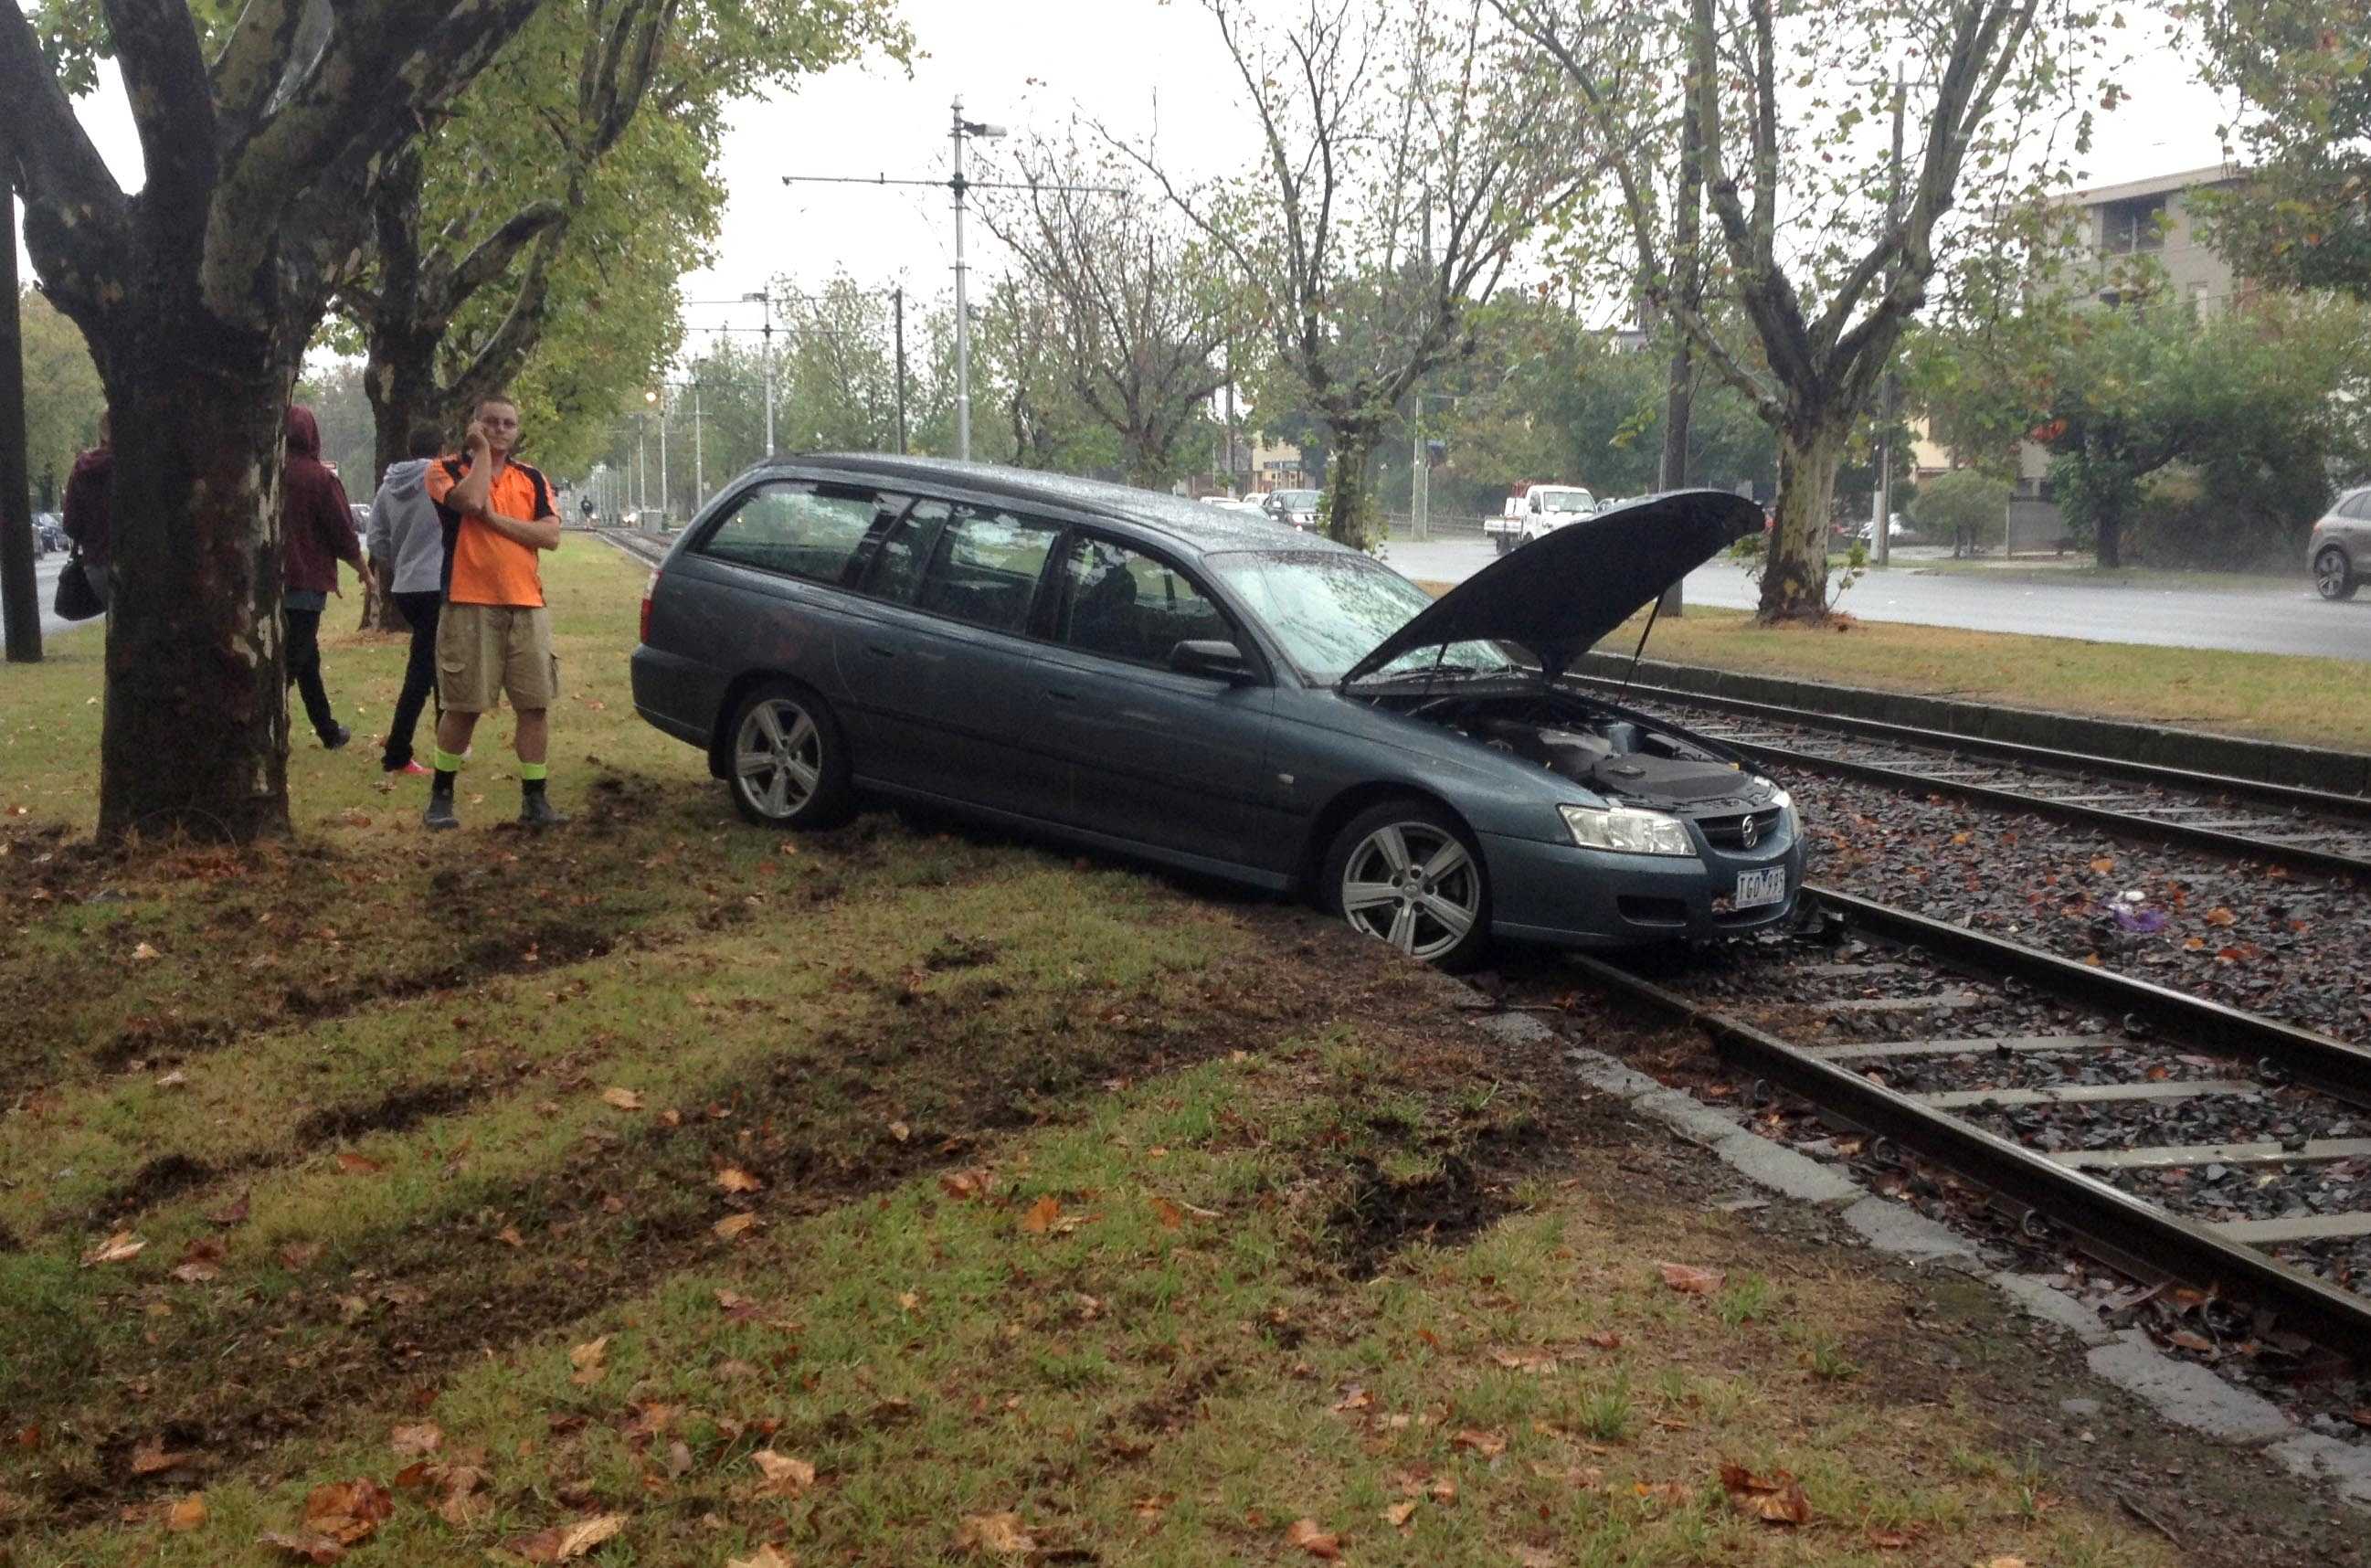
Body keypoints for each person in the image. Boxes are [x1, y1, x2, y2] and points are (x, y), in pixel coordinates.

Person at [421, 392, 564, 830]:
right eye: (492, 422)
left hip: (527, 604)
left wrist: (497, 524)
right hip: (469, 601)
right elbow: (468, 502)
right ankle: (441, 796)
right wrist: (480, 454)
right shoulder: (443, 469)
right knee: (464, 706)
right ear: (475, 425)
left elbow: (551, 536)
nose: (501, 430)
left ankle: (534, 798)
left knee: (534, 704)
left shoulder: (533, 479)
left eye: (508, 424)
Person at [366, 422, 452, 776]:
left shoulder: (389, 487)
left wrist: (401, 560)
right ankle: (399, 752)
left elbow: (375, 539)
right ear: (442, 448)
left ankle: (448, 741)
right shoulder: (442, 479)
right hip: (438, 583)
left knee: (433, 662)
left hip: (405, 587)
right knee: (426, 669)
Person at [281, 405, 368, 749]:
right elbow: (343, 532)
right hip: (305, 582)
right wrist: (362, 570)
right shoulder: (319, 479)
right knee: (292, 662)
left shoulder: (262, 473)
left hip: (267, 585)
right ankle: (257, 727)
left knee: (306, 660)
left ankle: (328, 730)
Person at [60, 411, 112, 609]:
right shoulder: (134, 466)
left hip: (96, 565)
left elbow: (70, 525)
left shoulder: (82, 469)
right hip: (136, 563)